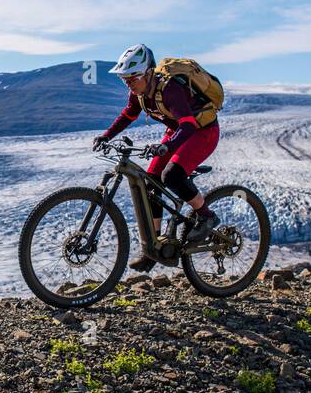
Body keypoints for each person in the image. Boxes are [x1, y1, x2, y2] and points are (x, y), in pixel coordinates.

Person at [93, 43, 220, 271]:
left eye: (133, 79)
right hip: (178, 131)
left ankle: (206, 216)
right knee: (151, 182)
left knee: (172, 175)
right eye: (125, 80)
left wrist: (167, 146)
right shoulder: (139, 94)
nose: (129, 85)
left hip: (202, 132)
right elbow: (128, 115)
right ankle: (153, 249)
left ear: (148, 73)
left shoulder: (170, 89)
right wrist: (106, 136)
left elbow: (189, 126)